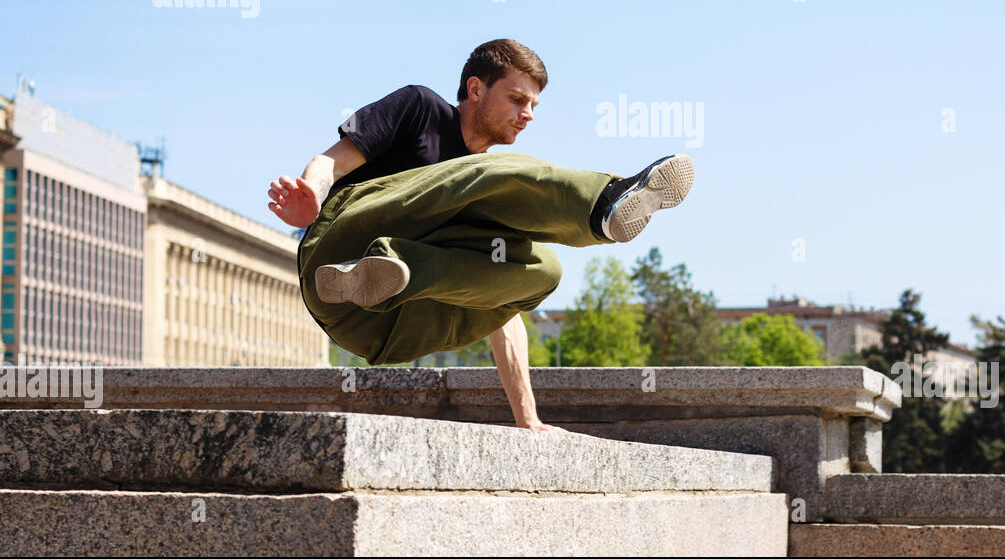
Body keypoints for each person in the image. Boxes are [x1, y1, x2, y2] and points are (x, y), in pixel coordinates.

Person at [267, 38, 693, 433]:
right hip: (335, 250)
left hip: (382, 328)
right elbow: (331, 161)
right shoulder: (420, 109)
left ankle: (396, 272)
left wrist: (528, 419)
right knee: (485, 175)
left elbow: (500, 314)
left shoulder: (489, 191)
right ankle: (603, 204)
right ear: (475, 89)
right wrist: (312, 196)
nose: (528, 114)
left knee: (542, 269)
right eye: (516, 99)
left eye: (534, 105)